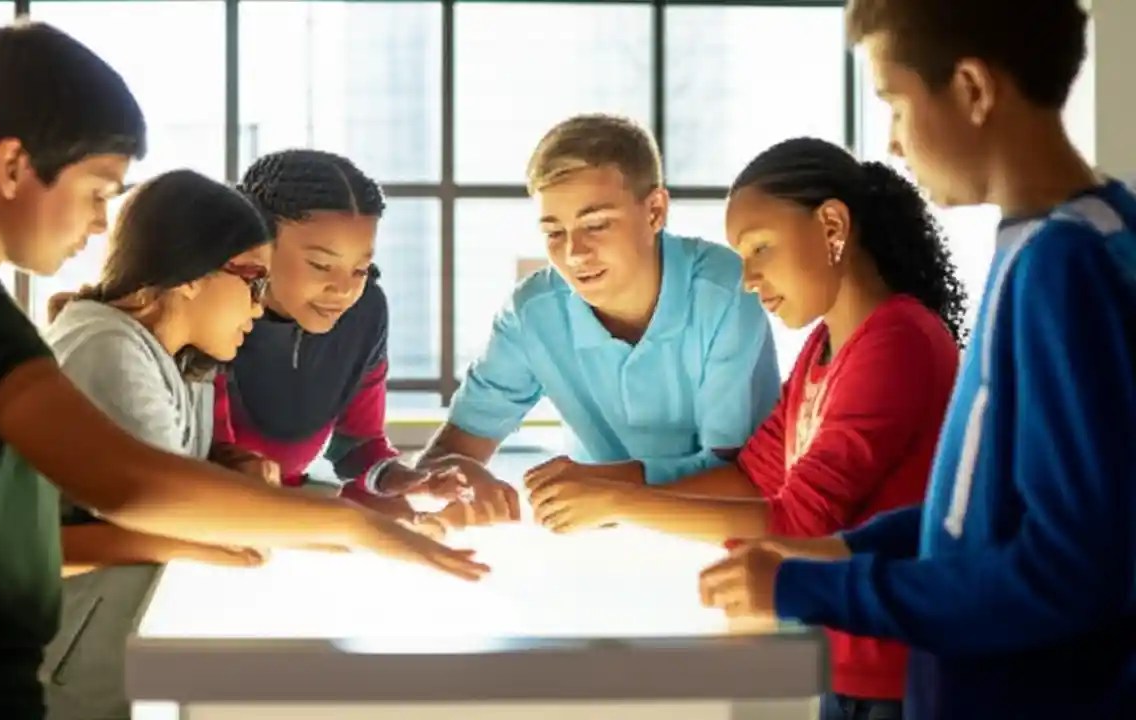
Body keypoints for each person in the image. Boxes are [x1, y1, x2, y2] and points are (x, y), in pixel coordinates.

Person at [0, 21, 486, 716]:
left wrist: (192, 536)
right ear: (12, 167)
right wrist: (349, 524)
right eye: (97, 191)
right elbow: (124, 479)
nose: (101, 224)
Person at [698, 2, 1136, 719]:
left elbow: (1069, 571)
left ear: (971, 90)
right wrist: (845, 549)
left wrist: (812, 589)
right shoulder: (1066, 236)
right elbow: (983, 515)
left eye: (897, 106)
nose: (894, 146)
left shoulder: (1063, 265)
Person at [528, 137, 963, 720]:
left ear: (832, 226)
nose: (747, 277)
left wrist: (619, 499)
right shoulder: (822, 347)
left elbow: (799, 521)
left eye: (761, 247)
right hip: (848, 657)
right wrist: (606, 495)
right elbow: (750, 476)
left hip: (904, 668)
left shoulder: (899, 341)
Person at [416, 113, 782, 527]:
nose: (574, 254)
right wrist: (463, 482)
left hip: (724, 539)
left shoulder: (729, 292)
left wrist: (612, 485)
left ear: (655, 211)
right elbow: (445, 457)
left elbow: (745, 479)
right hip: (599, 540)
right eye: (554, 232)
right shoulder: (532, 313)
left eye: (596, 225)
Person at [39, 169, 279, 720]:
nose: (259, 307)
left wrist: (233, 467)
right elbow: (170, 512)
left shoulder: (177, 361)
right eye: (254, 281)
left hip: (99, 662)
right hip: (59, 669)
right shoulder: (105, 347)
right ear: (192, 272)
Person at [216, 149, 465, 529]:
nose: (344, 290)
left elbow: (358, 445)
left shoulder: (366, 312)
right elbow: (213, 466)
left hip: (291, 511)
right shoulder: (212, 311)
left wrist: (409, 482)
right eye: (320, 265)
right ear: (257, 243)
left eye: (361, 268)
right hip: (212, 512)